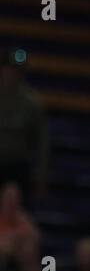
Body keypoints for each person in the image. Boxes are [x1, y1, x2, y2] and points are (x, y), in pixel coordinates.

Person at [0, 49, 49, 199]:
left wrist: (41, 177)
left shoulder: (32, 103)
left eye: (17, 70)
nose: (12, 74)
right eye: (9, 69)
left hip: (17, 170)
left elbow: (42, 144)